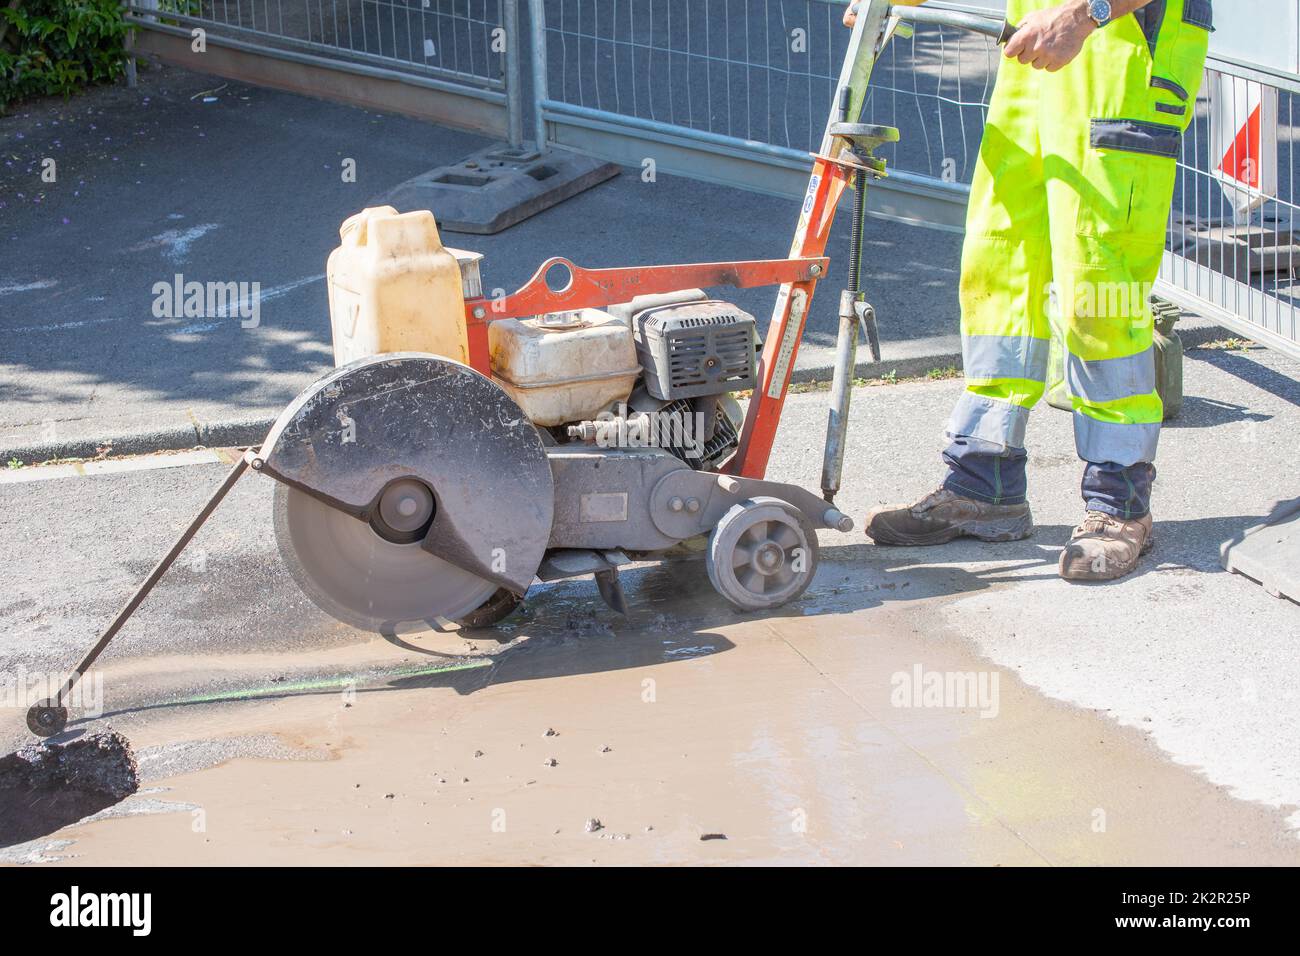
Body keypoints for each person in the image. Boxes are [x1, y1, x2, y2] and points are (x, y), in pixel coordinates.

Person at [844, 0, 1211, 580]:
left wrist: (1089, 14)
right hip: (1036, 64)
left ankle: (1120, 502)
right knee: (1000, 268)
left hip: (1119, 59)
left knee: (1100, 291)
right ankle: (983, 478)